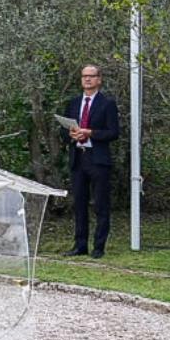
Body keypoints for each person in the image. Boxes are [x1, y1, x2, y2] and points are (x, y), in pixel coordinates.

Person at [63, 64, 121, 258]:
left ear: (99, 79)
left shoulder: (107, 104)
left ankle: (98, 246)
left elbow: (113, 133)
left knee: (100, 205)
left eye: (91, 76)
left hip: (98, 160)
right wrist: (72, 135)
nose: (87, 79)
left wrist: (90, 133)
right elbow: (65, 132)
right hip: (78, 158)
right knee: (79, 204)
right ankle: (80, 245)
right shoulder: (73, 103)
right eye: (84, 76)